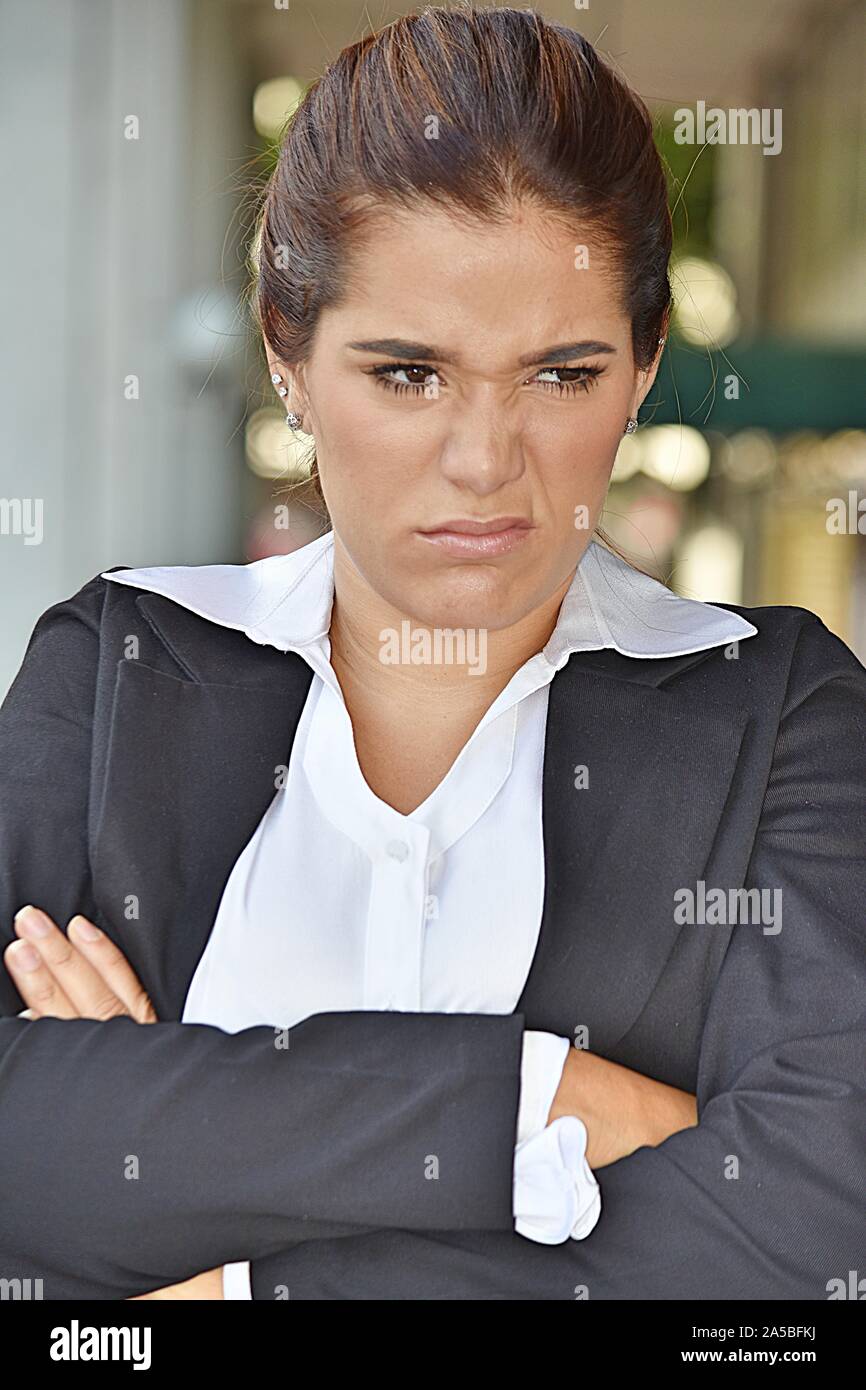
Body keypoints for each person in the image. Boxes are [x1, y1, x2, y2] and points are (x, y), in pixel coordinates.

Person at [1, 5, 863, 1301]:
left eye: (561, 375)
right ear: (286, 353)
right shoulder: (122, 664)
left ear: (642, 371)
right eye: (407, 372)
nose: (481, 460)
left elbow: (808, 1234)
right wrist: (528, 1096)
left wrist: (229, 1259)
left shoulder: (780, 707)